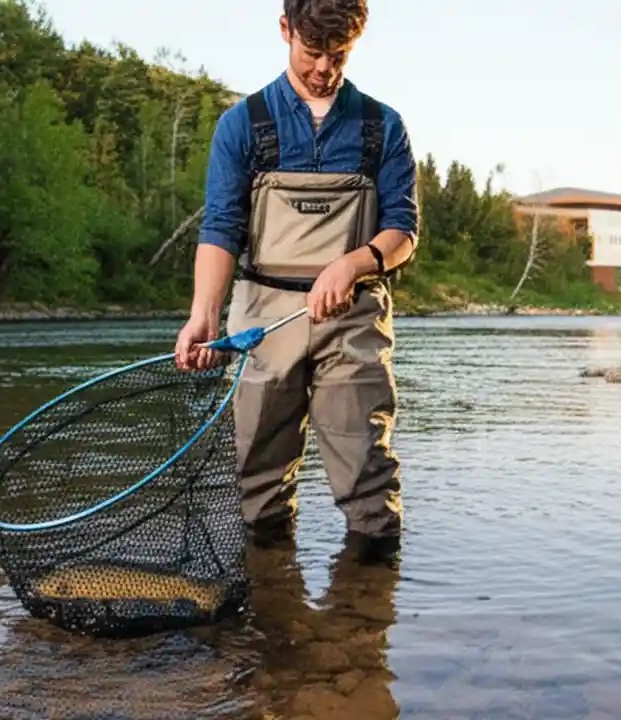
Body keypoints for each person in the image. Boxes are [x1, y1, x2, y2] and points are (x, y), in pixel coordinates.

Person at [174, 0, 419, 551]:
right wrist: (203, 317)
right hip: (263, 315)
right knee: (254, 482)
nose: (324, 70)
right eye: (312, 53)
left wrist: (354, 263)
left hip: (352, 317)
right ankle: (266, 619)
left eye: (339, 55)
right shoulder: (243, 123)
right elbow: (220, 228)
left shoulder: (383, 126)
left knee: (367, 476)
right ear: (285, 30)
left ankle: (363, 621)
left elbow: (403, 231)